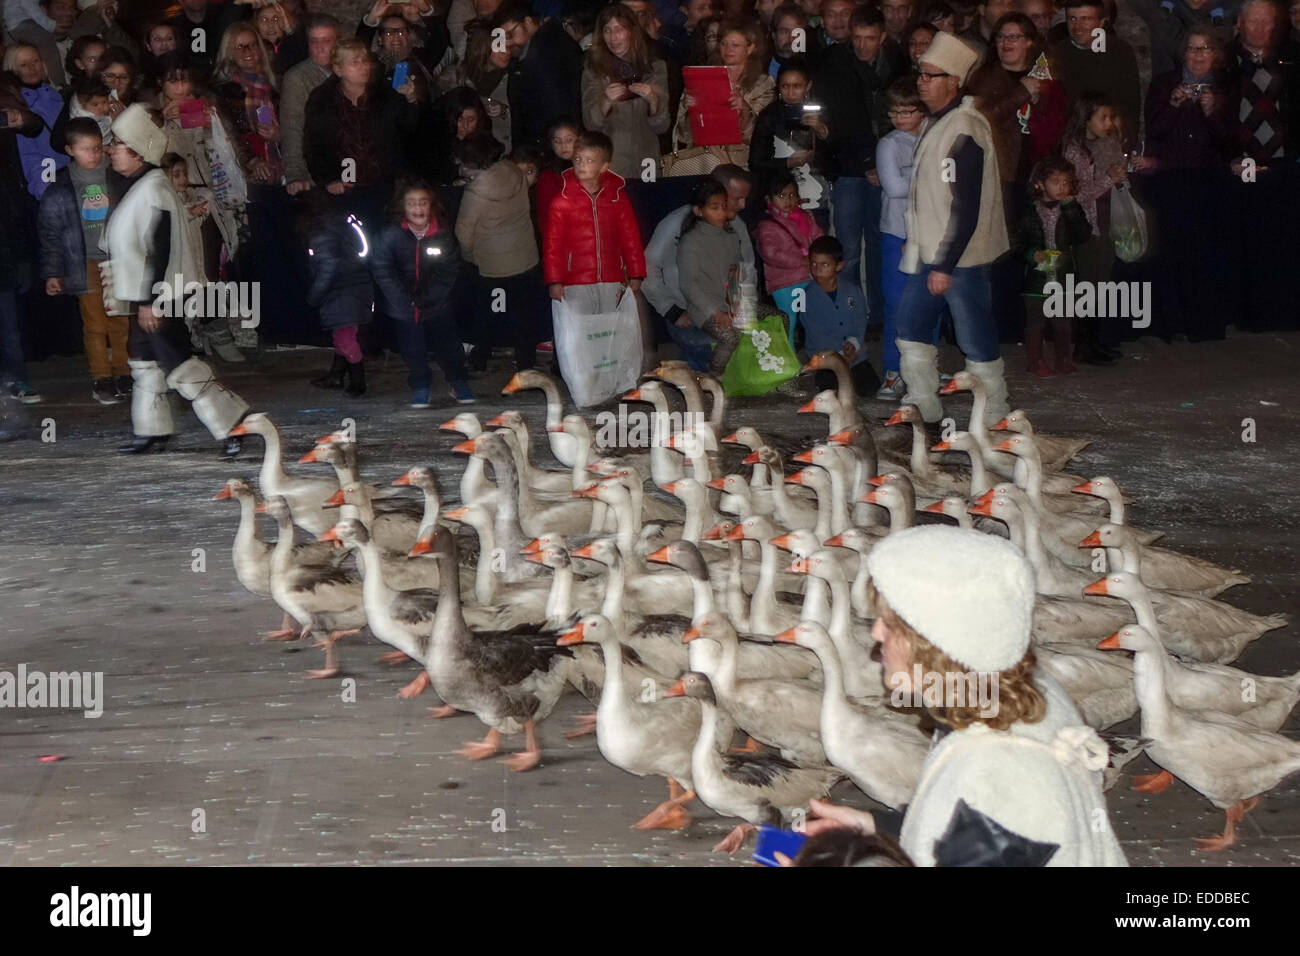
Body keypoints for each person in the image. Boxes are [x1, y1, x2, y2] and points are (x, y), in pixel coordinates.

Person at [802, 525, 1128, 867]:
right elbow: (967, 834)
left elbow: (989, 825)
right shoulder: (1019, 695)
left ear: (937, 638)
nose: (875, 632)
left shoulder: (995, 774)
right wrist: (875, 829)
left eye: (892, 623)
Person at [105, 104, 249, 457]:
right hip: (150, 295)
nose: (111, 149)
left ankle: (234, 424)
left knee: (178, 362)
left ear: (138, 152)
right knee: (144, 361)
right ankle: (153, 430)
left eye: (118, 143)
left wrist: (150, 301)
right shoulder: (142, 188)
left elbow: (160, 251)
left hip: (159, 295)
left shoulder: (153, 190)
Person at [894, 32, 1010, 428]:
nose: (921, 81)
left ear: (953, 80)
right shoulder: (937, 122)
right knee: (910, 327)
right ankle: (923, 403)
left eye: (930, 75)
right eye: (921, 74)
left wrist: (944, 264)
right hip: (930, 251)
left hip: (959, 257)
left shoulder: (965, 128)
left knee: (974, 335)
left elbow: (965, 206)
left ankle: (993, 411)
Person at [817, 6, 907, 324]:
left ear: (882, 37)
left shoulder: (896, 63)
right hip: (849, 168)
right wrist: (870, 163)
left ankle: (881, 317)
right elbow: (841, 120)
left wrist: (882, 164)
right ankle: (852, 315)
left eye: (870, 38)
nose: (862, 45)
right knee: (849, 251)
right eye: (857, 38)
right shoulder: (835, 64)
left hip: (887, 167)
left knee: (882, 247)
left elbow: (897, 116)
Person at [542, 130, 646, 387]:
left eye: (589, 160)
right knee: (581, 337)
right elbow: (552, 245)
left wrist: (635, 273)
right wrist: (554, 280)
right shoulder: (562, 201)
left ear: (604, 166)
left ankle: (608, 384)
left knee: (609, 334)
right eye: (578, 159)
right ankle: (584, 386)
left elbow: (630, 238)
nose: (581, 165)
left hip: (610, 278)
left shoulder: (617, 198)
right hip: (575, 281)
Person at [37, 116, 128, 405]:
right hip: (82, 262)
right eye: (86, 148)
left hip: (116, 259)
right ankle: (101, 377)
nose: (94, 154)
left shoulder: (115, 175)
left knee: (121, 319)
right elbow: (49, 233)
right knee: (95, 323)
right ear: (69, 150)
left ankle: (124, 373)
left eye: (98, 147)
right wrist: (53, 272)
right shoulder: (61, 188)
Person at [370, 178, 473, 407]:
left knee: (449, 345)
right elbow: (381, 269)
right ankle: (421, 384)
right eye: (412, 204)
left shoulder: (443, 235)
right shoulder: (390, 235)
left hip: (436, 303)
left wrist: (428, 298)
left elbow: (449, 270)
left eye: (423, 203)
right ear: (403, 208)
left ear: (432, 206)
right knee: (413, 347)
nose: (418, 208)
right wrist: (405, 300)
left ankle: (458, 381)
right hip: (403, 305)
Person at [642, 163, 755, 367]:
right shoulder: (677, 223)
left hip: (726, 311)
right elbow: (647, 266)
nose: (743, 206)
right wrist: (671, 310)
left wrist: (745, 307)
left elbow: (747, 268)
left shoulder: (737, 226)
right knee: (711, 348)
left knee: (758, 342)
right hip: (688, 313)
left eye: (745, 198)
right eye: (737, 198)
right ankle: (700, 383)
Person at [455, 133, 549, 372]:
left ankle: (481, 356)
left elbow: (463, 231)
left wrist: (470, 257)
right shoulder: (513, 171)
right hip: (526, 257)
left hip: (492, 264)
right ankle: (525, 362)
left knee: (488, 312)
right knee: (524, 315)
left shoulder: (475, 193)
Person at [1060, 92, 1127, 364]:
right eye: (1103, 118)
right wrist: (1109, 179)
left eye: (1111, 117)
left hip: (1107, 221)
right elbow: (1076, 193)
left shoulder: (1107, 144)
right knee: (1088, 285)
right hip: (1088, 225)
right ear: (1086, 119)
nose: (1108, 123)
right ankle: (1084, 344)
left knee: (1101, 284)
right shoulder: (1074, 151)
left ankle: (1096, 340)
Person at [1015, 155, 1090, 376]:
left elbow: (1082, 235)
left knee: (1063, 323)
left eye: (1066, 182)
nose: (1062, 187)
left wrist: (1071, 209)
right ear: (1040, 183)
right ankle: (1035, 361)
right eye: (1056, 182)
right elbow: (1016, 242)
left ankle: (1063, 360)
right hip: (1037, 280)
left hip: (1063, 277)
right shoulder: (1029, 210)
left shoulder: (1071, 209)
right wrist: (1031, 254)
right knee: (1035, 323)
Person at [875, 76, 926, 400]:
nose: (901, 119)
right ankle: (894, 371)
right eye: (895, 112)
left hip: (930, 232)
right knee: (896, 304)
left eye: (908, 111)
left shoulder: (934, 136)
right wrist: (924, 177)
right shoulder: (889, 144)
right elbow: (893, 189)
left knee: (928, 303)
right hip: (896, 231)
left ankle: (924, 368)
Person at [581, 4, 671, 180]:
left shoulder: (654, 67)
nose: (613, 37)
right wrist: (606, 100)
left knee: (648, 203)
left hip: (647, 158)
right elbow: (590, 124)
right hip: (611, 160)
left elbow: (662, 126)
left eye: (619, 29)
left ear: (632, 31)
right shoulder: (593, 70)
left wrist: (653, 101)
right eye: (607, 30)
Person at [673, 17, 775, 168]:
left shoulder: (763, 84)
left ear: (750, 48)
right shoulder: (701, 77)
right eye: (724, 44)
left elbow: (761, 135)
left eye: (735, 45)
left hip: (741, 164)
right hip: (703, 160)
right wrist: (690, 110)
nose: (728, 50)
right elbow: (683, 135)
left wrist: (744, 110)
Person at [300, 191, 372, 397]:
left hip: (340, 294)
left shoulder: (321, 233)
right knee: (341, 335)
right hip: (357, 288)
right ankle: (336, 375)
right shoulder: (342, 224)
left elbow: (328, 269)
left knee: (345, 339)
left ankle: (358, 383)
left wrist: (314, 297)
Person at [750, 59, 835, 228]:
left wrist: (821, 129)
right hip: (779, 198)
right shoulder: (769, 115)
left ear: (808, 86)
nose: (791, 92)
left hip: (816, 196)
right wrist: (788, 162)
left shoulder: (820, 111)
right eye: (785, 86)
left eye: (797, 86)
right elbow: (756, 161)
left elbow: (837, 151)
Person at [1051, 0, 1142, 150]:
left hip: (1108, 140)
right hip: (1070, 143)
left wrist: (1125, 145)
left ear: (1101, 23)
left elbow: (1130, 105)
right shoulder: (1058, 53)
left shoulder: (1119, 51)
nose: (1077, 26)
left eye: (1086, 19)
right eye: (1072, 18)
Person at [675, 179, 744, 376]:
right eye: (714, 208)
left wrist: (739, 302)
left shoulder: (730, 236)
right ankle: (713, 379)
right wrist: (715, 312)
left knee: (778, 317)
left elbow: (737, 273)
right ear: (699, 211)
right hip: (704, 309)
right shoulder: (691, 242)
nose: (722, 212)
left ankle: (770, 373)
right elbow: (688, 284)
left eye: (724, 206)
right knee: (729, 338)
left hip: (731, 302)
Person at [496, 3, 585, 150]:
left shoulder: (547, 52)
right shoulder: (544, 44)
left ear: (529, 22)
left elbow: (555, 107)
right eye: (502, 37)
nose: (508, 42)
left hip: (551, 146)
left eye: (511, 34)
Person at [802, 235, 880, 393]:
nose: (817, 269)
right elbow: (814, 331)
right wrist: (838, 355)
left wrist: (854, 342)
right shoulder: (806, 297)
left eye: (825, 264)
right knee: (832, 393)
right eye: (814, 263)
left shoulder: (851, 292)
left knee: (871, 389)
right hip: (826, 357)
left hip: (854, 355)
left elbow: (858, 316)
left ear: (839, 266)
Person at [1227, 0, 1300, 166]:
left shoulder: (1293, 56)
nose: (1259, 28)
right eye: (1253, 21)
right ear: (1240, 22)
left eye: (1266, 22)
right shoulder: (1223, 60)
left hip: (1286, 160)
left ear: (1273, 24)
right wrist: (1229, 156)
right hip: (1240, 161)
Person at [754, 169, 824, 338]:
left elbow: (818, 237)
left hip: (808, 277)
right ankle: (788, 360)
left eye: (792, 195)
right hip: (785, 282)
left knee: (811, 319)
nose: (788, 200)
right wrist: (802, 260)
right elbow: (772, 254)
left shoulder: (805, 218)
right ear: (769, 199)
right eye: (781, 195)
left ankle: (815, 356)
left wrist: (820, 255)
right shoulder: (767, 226)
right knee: (789, 321)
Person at [281, 15, 339, 195]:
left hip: (351, 169)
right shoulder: (297, 78)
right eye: (314, 41)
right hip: (317, 172)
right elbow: (293, 127)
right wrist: (296, 174)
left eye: (326, 40)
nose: (320, 47)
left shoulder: (350, 71)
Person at [6, 43, 67, 200]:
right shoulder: (18, 107)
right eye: (24, 64)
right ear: (13, 70)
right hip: (53, 180)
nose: (32, 68)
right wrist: (48, 190)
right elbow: (29, 156)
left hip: (76, 171)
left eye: (35, 61)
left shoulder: (54, 95)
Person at [8, 0, 77, 90]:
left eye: (72, 8)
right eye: (60, 7)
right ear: (44, 10)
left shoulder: (81, 40)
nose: (68, 12)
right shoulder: (28, 51)